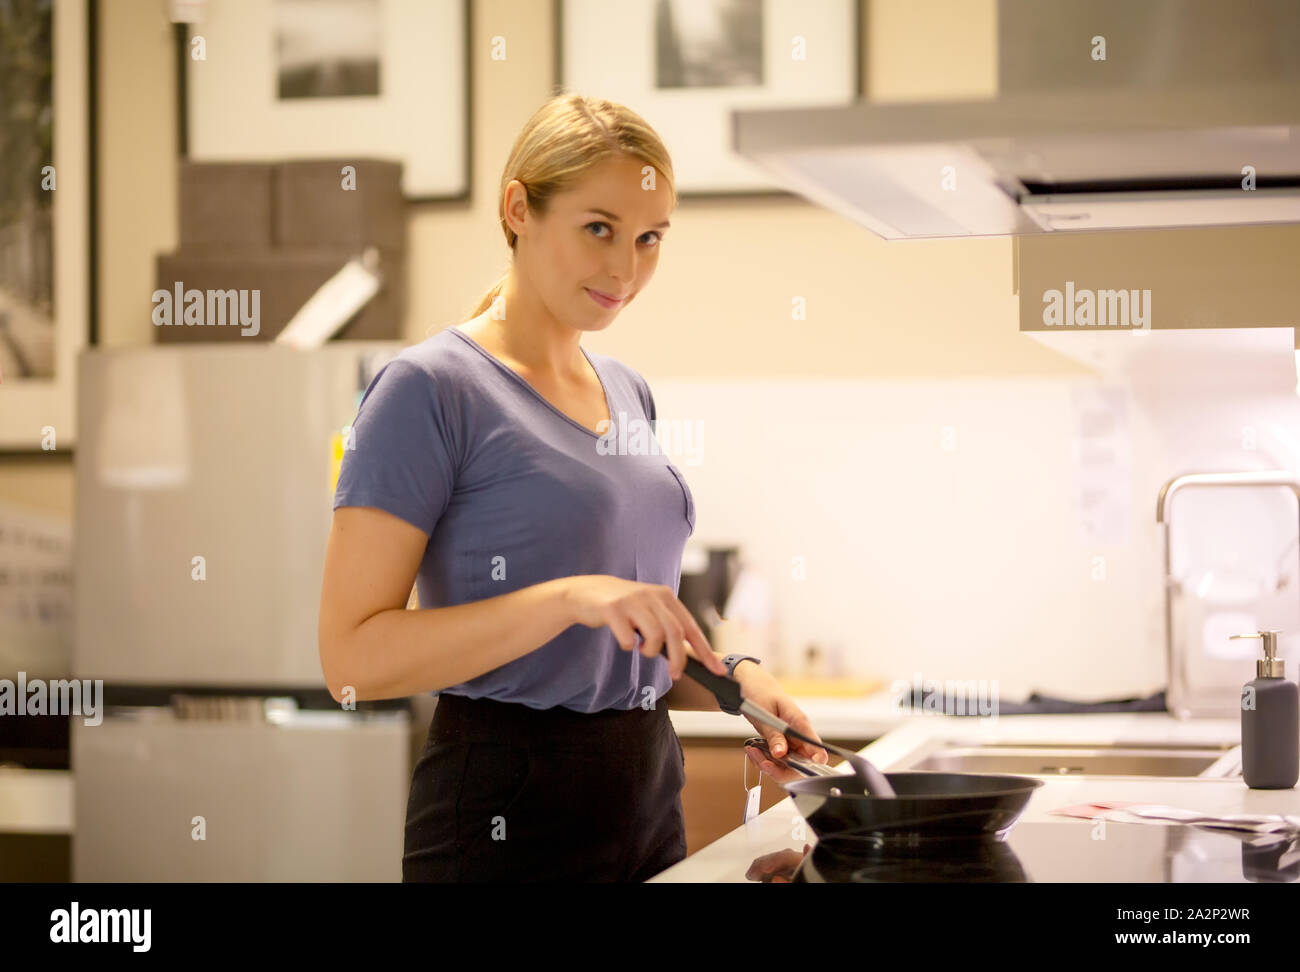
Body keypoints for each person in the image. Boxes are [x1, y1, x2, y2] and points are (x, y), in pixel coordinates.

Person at [318, 93, 827, 883]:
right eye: (600, 229)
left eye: (649, 239)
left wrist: (732, 681)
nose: (625, 268)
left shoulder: (627, 391)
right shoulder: (429, 389)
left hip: (646, 791)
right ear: (518, 208)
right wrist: (568, 599)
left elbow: (630, 622)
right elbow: (350, 658)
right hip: (503, 808)